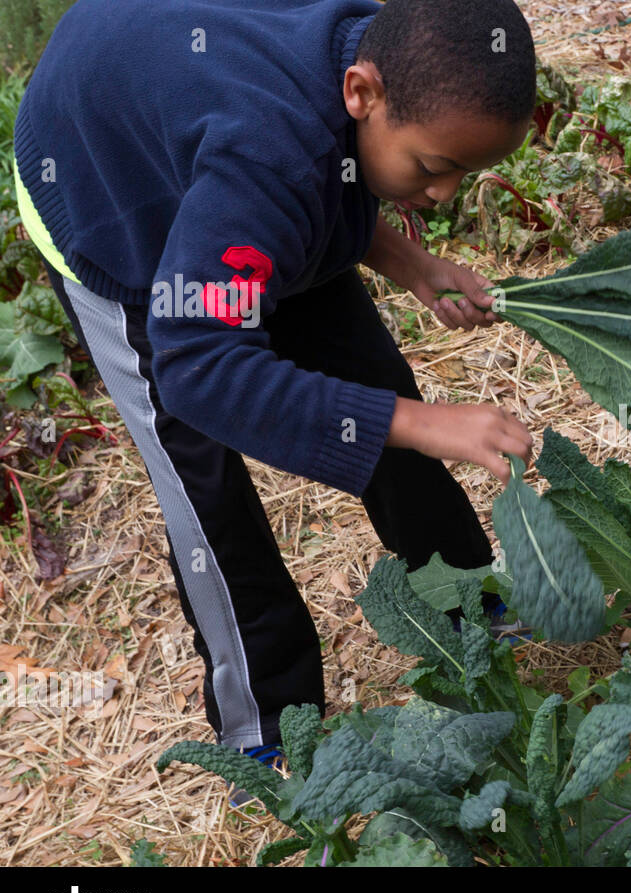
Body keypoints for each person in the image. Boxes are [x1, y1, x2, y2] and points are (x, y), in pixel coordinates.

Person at [12, 0, 537, 774]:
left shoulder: (364, 56)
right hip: (109, 201)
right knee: (206, 483)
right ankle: (267, 727)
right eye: (432, 168)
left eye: (466, 172)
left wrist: (415, 267)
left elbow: (330, 173)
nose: (447, 195)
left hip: (217, 155)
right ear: (360, 92)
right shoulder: (270, 156)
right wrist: (425, 424)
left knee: (374, 381)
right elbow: (200, 369)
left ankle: (459, 598)